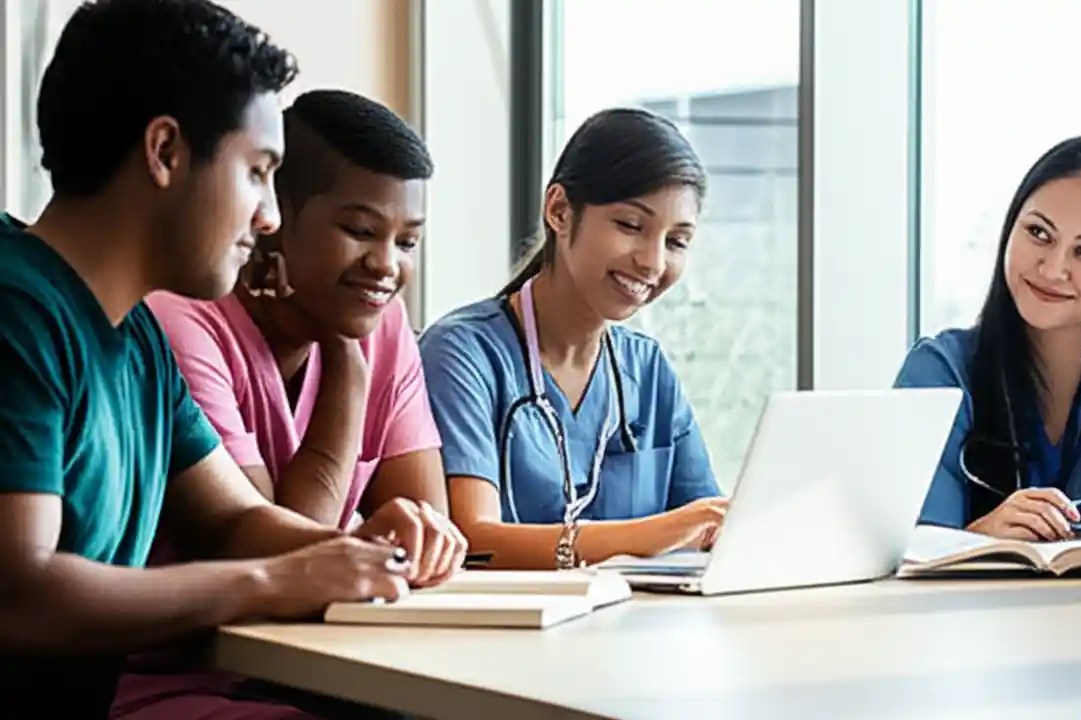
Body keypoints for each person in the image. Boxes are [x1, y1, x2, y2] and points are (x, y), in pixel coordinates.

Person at [0, 2, 459, 717]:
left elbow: (235, 519)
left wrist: (360, 554)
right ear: (165, 152)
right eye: (257, 173)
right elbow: (20, 596)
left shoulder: (136, 338)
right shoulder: (17, 309)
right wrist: (273, 582)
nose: (270, 217)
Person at [110, 88, 465, 719]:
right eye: (359, 231)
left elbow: (425, 534)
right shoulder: (181, 322)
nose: (386, 266)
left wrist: (404, 541)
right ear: (275, 216)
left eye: (407, 241)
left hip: (339, 674)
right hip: (192, 680)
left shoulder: (380, 321)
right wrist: (348, 370)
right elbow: (273, 545)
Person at [419, 108, 728, 570]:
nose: (653, 261)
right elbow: (475, 540)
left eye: (676, 241)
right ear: (559, 211)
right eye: (630, 226)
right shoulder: (463, 354)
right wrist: (659, 532)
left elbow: (710, 532)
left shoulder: (647, 369)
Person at [895, 135, 1081, 543]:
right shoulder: (939, 372)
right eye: (1039, 233)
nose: (1053, 268)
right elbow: (902, 553)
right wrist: (981, 538)